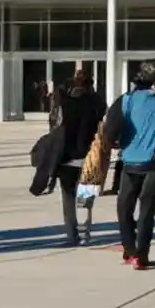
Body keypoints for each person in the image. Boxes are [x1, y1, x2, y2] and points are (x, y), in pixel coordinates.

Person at [103, 61, 155, 270]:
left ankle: (129, 248)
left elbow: (110, 128)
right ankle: (142, 254)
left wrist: (113, 144)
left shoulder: (127, 100)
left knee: (124, 208)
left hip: (130, 161)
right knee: (147, 211)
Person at [50, 71, 106, 246]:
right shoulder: (97, 103)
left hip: (66, 157)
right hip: (90, 157)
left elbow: (54, 127)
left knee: (68, 197)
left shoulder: (63, 103)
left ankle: (71, 235)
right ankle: (85, 233)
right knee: (86, 198)